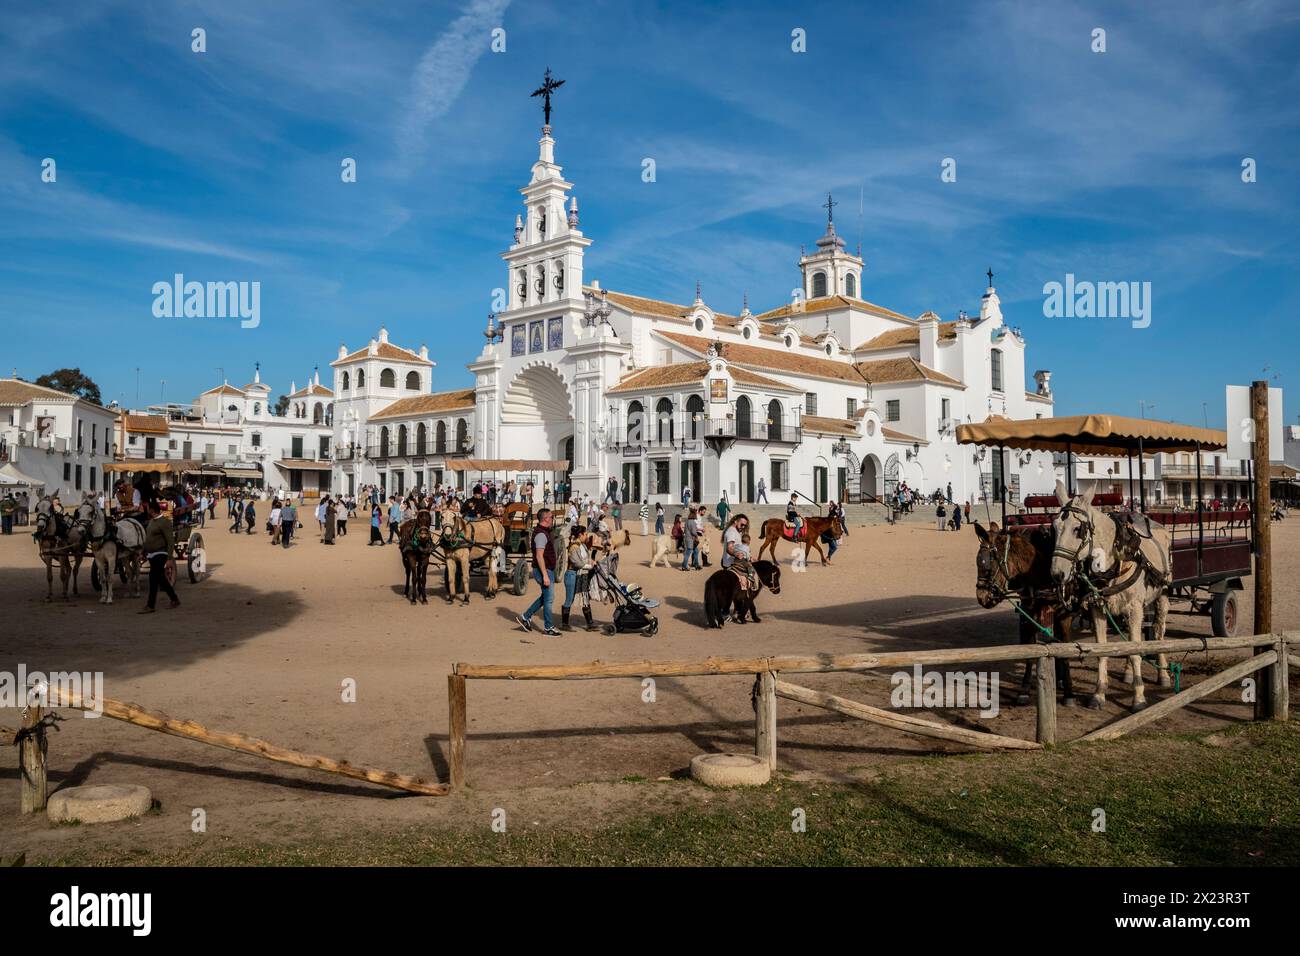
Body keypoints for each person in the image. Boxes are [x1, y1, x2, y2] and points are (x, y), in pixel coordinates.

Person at [517, 508, 561, 636]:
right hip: (544, 570)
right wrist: (545, 576)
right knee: (548, 600)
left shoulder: (544, 532)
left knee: (546, 597)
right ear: (545, 519)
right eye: (551, 517)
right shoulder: (541, 534)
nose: (552, 519)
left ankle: (525, 616)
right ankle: (548, 627)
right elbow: (539, 556)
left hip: (546, 569)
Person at [139, 500, 180, 614]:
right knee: (161, 579)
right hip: (152, 554)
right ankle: (174, 599)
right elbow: (148, 539)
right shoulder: (152, 522)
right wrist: (143, 552)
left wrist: (169, 559)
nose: (147, 510)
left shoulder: (164, 522)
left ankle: (150, 605)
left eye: (148, 509)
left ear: (151, 510)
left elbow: (170, 541)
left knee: (153, 578)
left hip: (161, 553)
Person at [682, 507, 700, 571]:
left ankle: (696, 564)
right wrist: (697, 536)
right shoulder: (692, 522)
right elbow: (693, 532)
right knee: (688, 552)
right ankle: (684, 566)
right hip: (691, 539)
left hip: (687, 538)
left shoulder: (687, 521)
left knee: (696, 551)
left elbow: (684, 530)